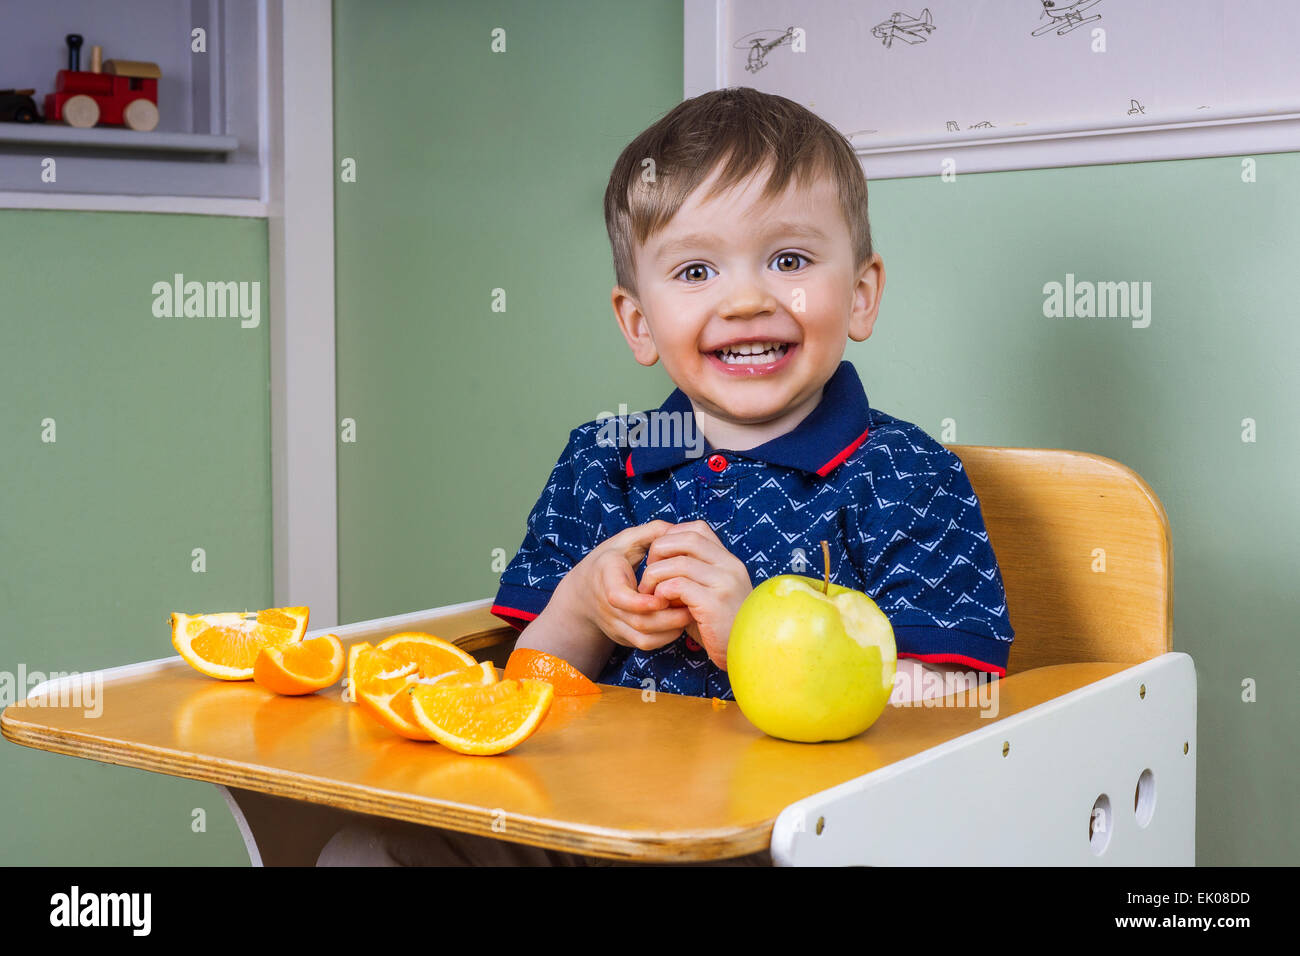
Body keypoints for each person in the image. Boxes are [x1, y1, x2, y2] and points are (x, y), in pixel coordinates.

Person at [319, 86, 1014, 867]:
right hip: (585, 824)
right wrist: (580, 605)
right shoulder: (601, 462)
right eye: (695, 270)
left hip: (787, 842)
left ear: (859, 295)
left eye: (789, 260)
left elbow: (960, 701)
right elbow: (524, 690)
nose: (747, 298)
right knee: (366, 849)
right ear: (639, 323)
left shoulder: (908, 474)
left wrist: (757, 638)